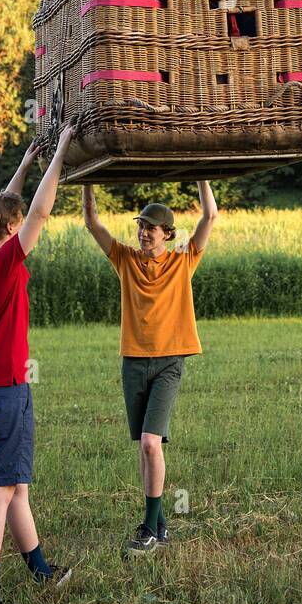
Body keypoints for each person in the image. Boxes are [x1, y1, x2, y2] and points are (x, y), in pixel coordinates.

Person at [0, 126, 76, 604]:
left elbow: (6, 207)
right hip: (4, 395)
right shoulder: (8, 260)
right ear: (10, 231)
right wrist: (62, 151)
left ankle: (41, 571)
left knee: (16, 488)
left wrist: (27, 162)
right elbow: (39, 212)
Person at [82, 181, 218, 555]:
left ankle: (149, 528)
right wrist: (88, 181)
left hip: (169, 363)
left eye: (151, 228)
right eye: (141, 227)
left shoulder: (183, 260)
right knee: (143, 448)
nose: (143, 233)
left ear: (167, 234)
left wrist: (202, 177)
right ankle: (159, 522)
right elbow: (92, 223)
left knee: (150, 442)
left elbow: (211, 216)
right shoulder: (124, 259)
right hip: (133, 363)